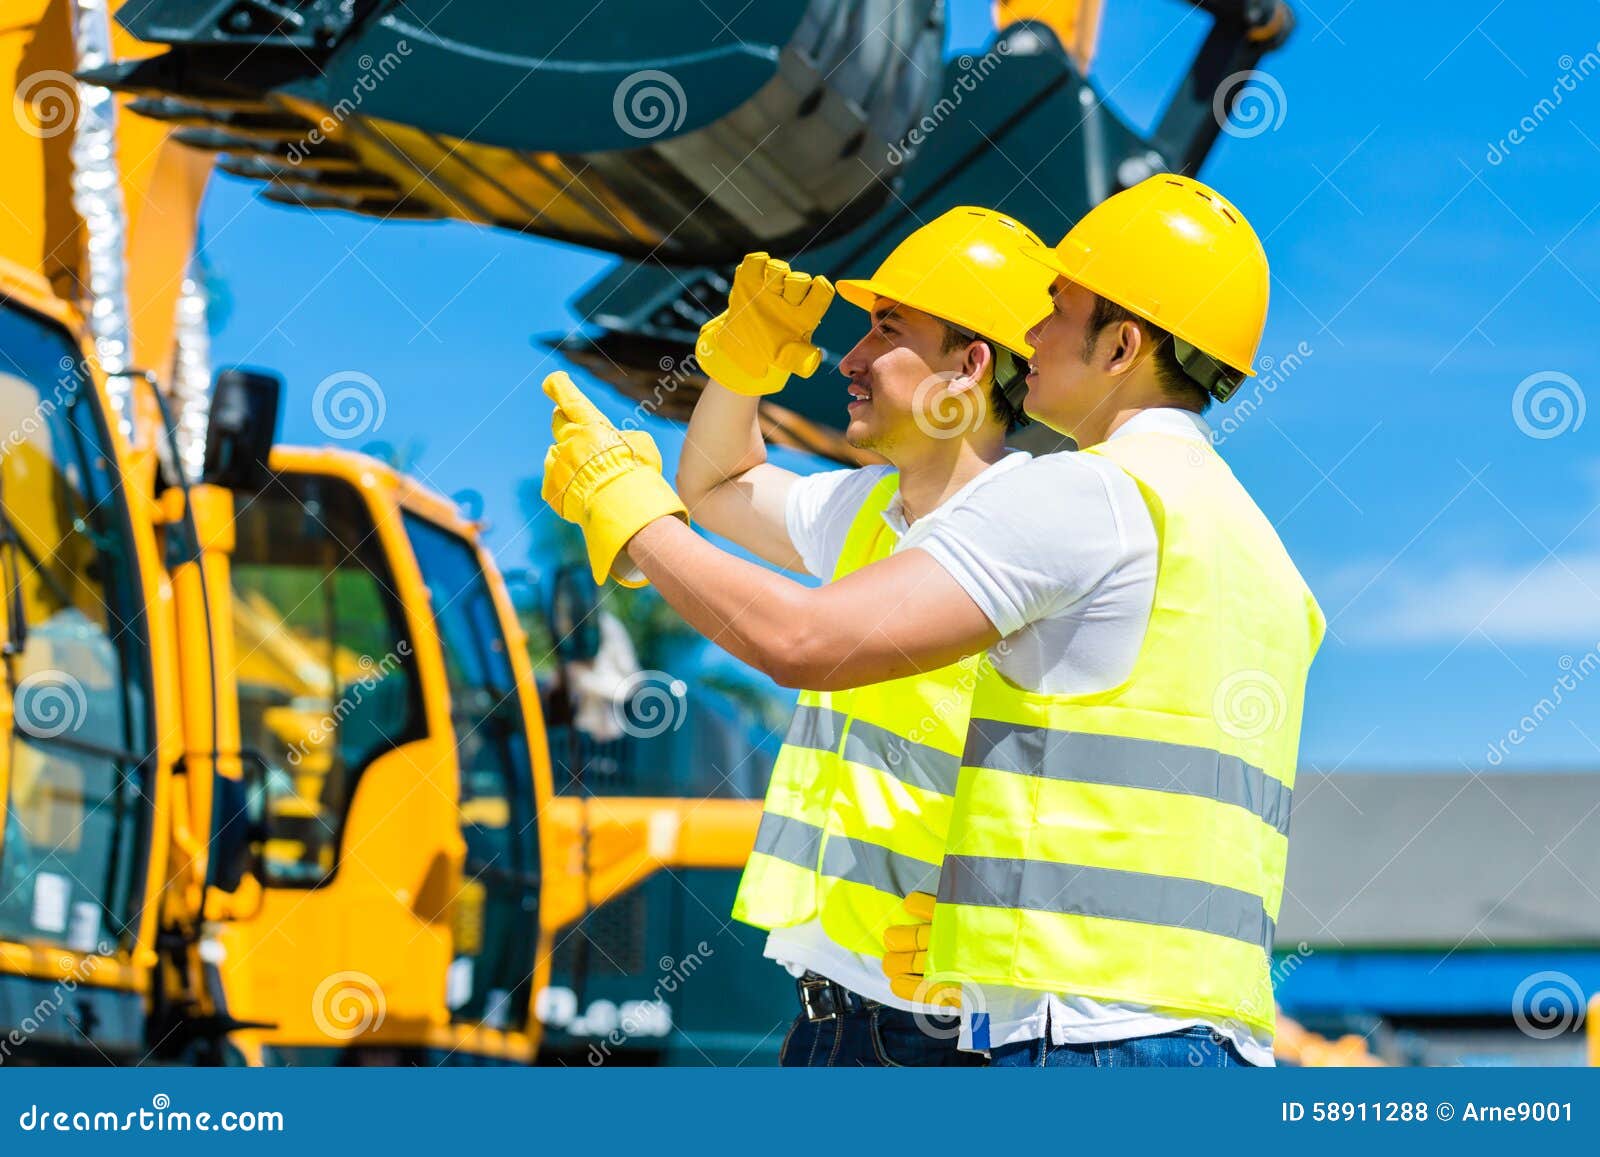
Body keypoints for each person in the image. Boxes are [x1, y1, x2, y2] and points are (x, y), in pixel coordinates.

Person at [540, 174, 1324, 1067]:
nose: (1035, 332)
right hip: (1188, 1035)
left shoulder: (1082, 497)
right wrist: (736, 368)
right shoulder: (1253, 550)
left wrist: (633, 520)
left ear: (1123, 344)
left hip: (1064, 1040)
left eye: (1059, 309)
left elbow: (805, 641)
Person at [608, 208, 1047, 1066]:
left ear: (971, 364)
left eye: (888, 330)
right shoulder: (867, 512)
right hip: (831, 1012)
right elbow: (720, 484)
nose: (850, 357)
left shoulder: (1028, 530)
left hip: (939, 1029)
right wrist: (742, 366)